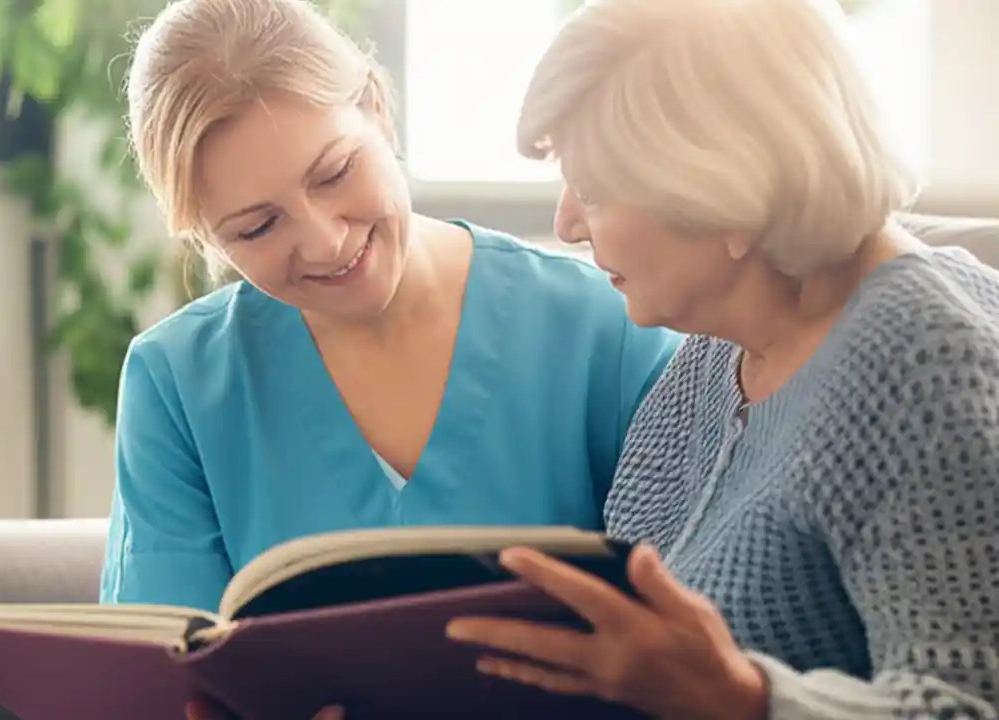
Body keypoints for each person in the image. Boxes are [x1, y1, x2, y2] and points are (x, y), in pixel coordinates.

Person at [441, 0, 999, 718]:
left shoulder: (923, 362)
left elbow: (970, 701)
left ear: (726, 192)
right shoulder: (716, 348)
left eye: (595, 190)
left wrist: (742, 701)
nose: (566, 225)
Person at [99, 0, 679, 634]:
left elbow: (691, 640)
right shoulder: (176, 385)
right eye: (258, 227)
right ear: (209, 240)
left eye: (336, 172)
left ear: (378, 110)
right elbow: (167, 672)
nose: (323, 242)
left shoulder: (608, 331)